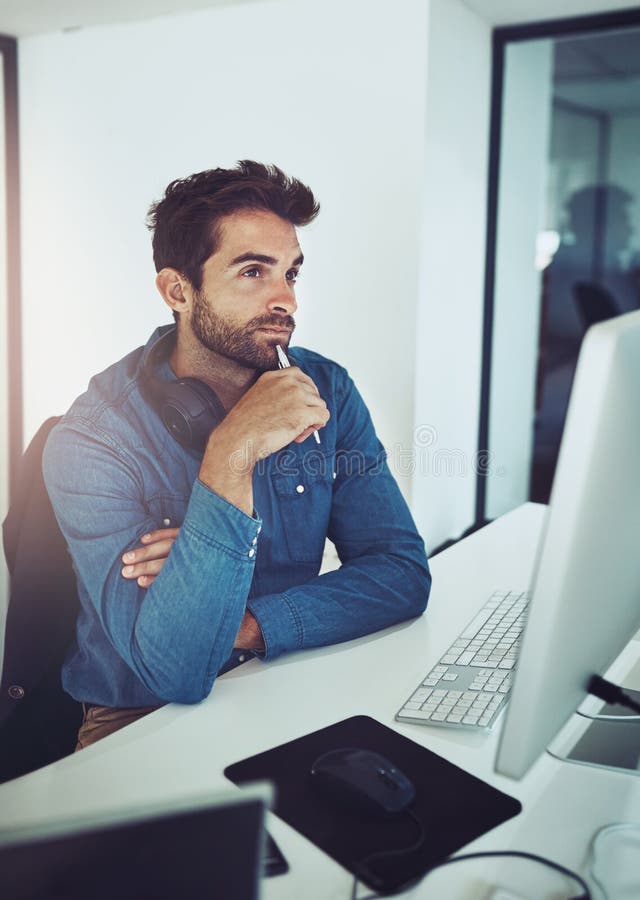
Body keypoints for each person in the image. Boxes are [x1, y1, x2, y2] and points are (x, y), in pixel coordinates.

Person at [43, 160, 431, 749]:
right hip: (137, 718)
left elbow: (400, 573)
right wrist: (231, 451)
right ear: (179, 290)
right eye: (253, 271)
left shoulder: (326, 391)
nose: (286, 300)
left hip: (281, 673)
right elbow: (174, 670)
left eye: (291, 274)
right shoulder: (93, 439)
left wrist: (238, 618)